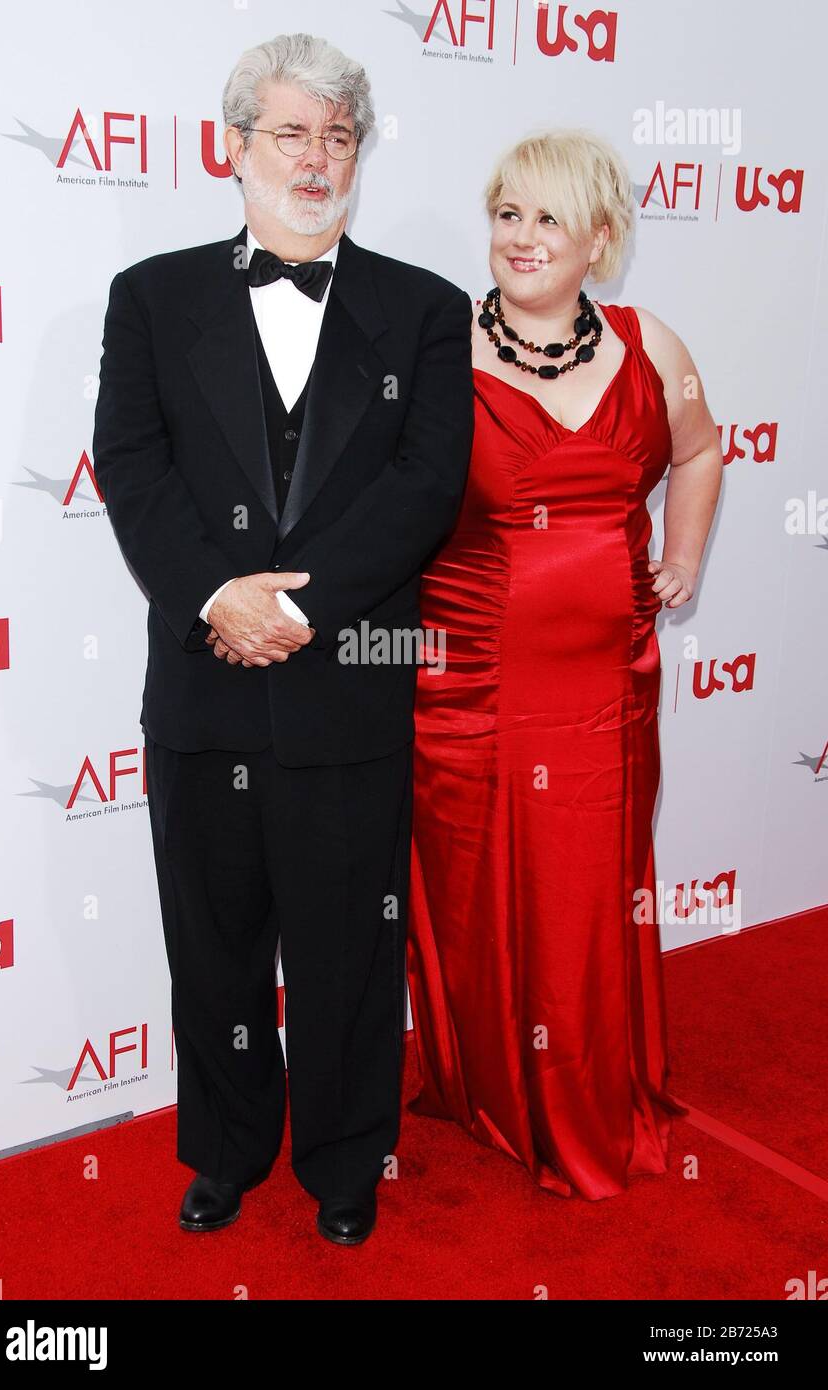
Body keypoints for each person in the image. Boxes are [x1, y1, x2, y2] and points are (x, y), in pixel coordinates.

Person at [92, 32, 473, 1244]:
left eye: (338, 135)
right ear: (234, 145)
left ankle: (348, 1161)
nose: (316, 159)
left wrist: (299, 608)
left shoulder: (421, 307)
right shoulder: (150, 297)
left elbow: (425, 487)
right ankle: (225, 1148)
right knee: (211, 951)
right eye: (291, 132)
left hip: (347, 687)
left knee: (347, 954)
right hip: (203, 687)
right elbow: (135, 471)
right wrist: (220, 597)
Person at [406, 128, 723, 1200]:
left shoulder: (651, 345)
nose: (521, 238)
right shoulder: (437, 354)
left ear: (600, 238)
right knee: (481, 896)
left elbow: (696, 449)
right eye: (506, 215)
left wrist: (678, 555)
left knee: (589, 895)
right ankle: (494, 1084)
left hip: (606, 688)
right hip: (472, 691)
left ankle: (591, 1087)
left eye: (548, 218)